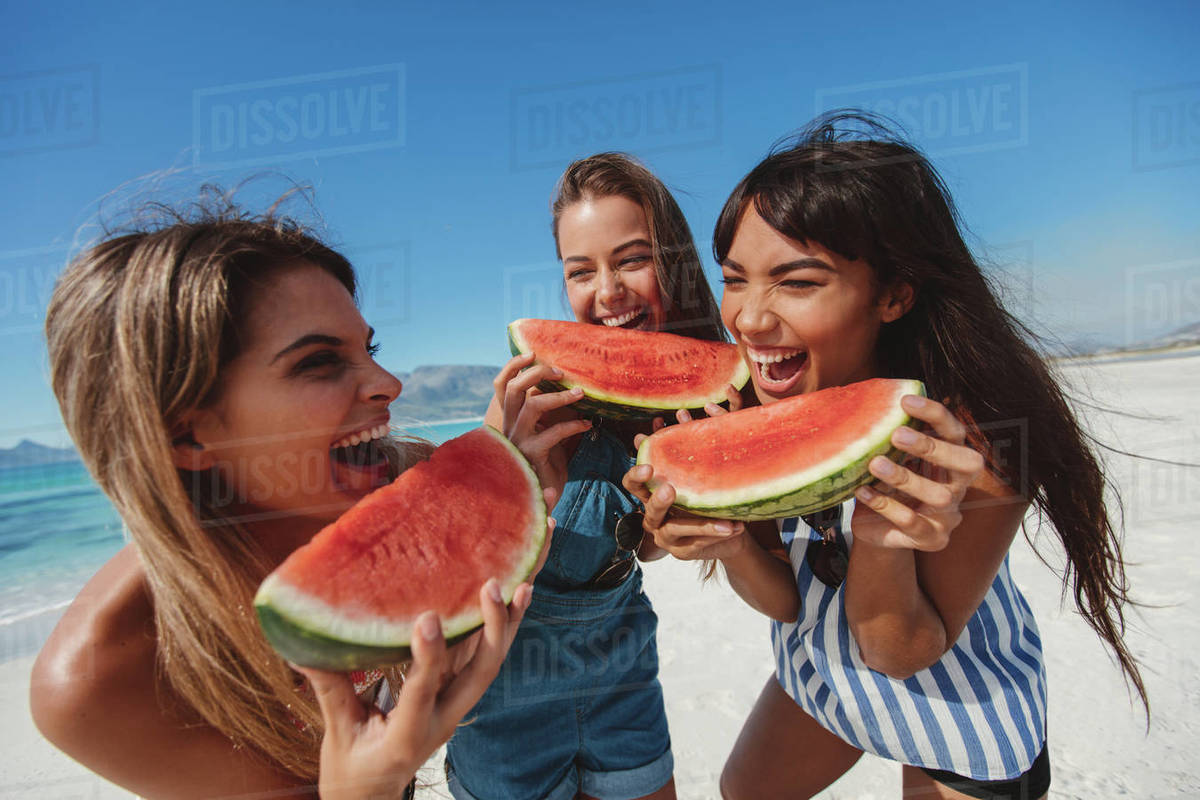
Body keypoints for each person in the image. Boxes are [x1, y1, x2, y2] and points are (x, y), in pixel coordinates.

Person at [626, 113, 1146, 800]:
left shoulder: (975, 441)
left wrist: (879, 540)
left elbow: (901, 652)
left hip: (953, 697)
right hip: (828, 671)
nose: (749, 319)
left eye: (798, 282)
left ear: (894, 294)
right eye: (736, 279)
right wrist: (729, 546)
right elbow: (787, 602)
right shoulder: (758, 400)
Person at [28, 193, 577, 799]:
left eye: (369, 349)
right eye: (319, 361)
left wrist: (507, 474)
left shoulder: (395, 482)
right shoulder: (99, 679)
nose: (390, 385)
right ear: (186, 433)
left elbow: (465, 468)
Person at [444, 153, 750, 800]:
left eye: (631, 259)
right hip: (504, 690)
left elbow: (638, 549)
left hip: (623, 670)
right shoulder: (530, 395)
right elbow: (457, 562)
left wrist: (673, 517)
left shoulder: (700, 401)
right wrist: (514, 469)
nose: (606, 290)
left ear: (672, 259)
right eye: (580, 271)